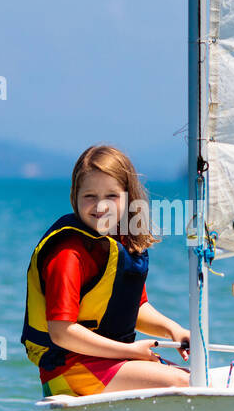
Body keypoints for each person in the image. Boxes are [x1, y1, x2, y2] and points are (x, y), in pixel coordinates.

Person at [21, 144, 191, 397]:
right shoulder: (69, 253)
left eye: (111, 196)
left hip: (107, 361)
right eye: (90, 196)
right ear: (74, 197)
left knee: (197, 378)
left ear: (127, 197)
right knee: (183, 384)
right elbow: (61, 332)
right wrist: (131, 351)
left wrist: (172, 329)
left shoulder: (120, 243)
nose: (100, 206)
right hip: (68, 367)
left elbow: (135, 309)